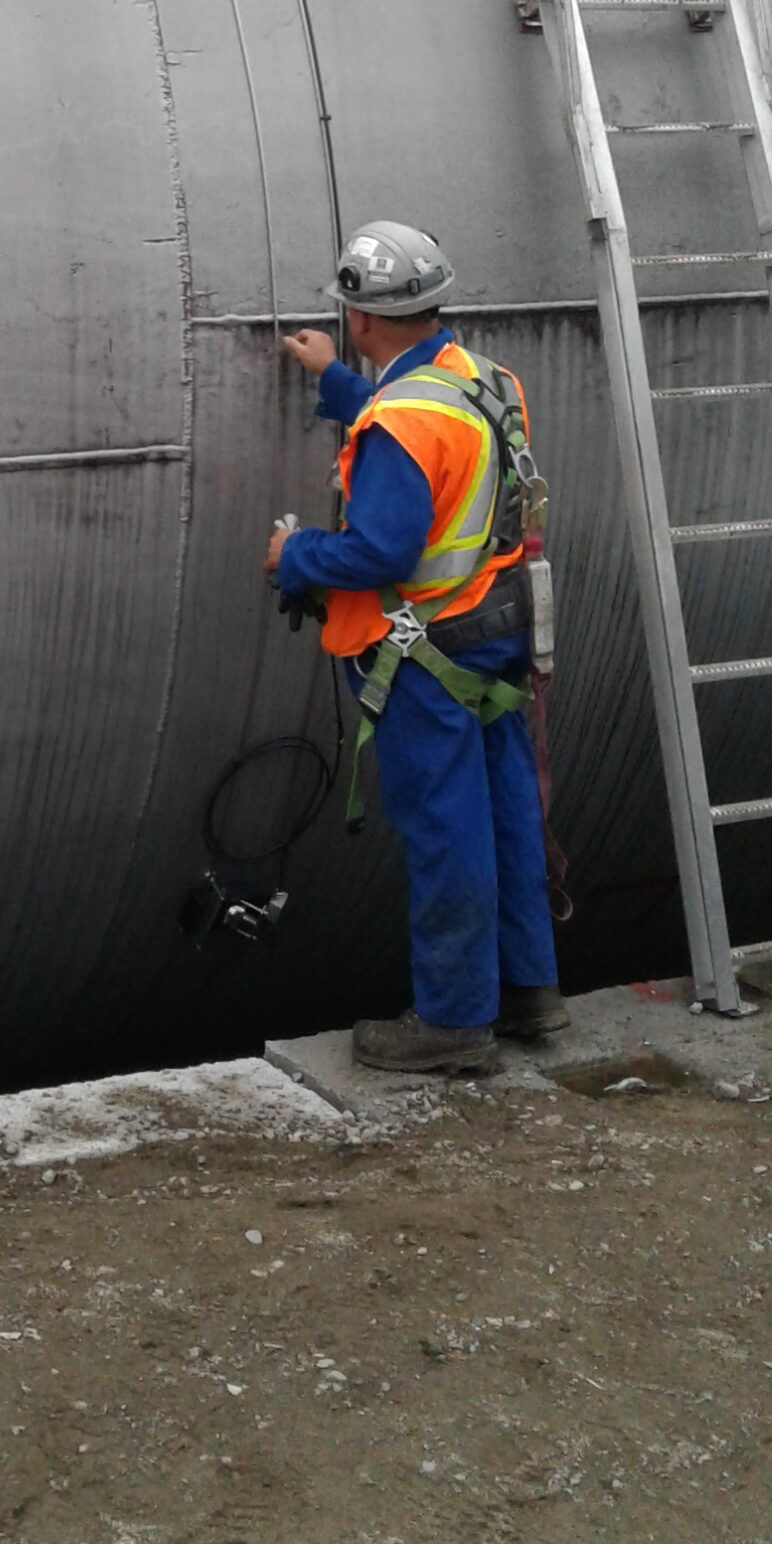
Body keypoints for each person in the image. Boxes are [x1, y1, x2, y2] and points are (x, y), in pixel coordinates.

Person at [266, 221, 565, 1074]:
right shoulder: (485, 382)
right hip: (497, 635)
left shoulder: (402, 417)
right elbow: (428, 438)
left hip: (426, 654)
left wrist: (296, 557)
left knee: (446, 829)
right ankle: (529, 995)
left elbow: (380, 550)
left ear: (361, 319)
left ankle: (453, 1024)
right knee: (507, 814)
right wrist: (332, 379)